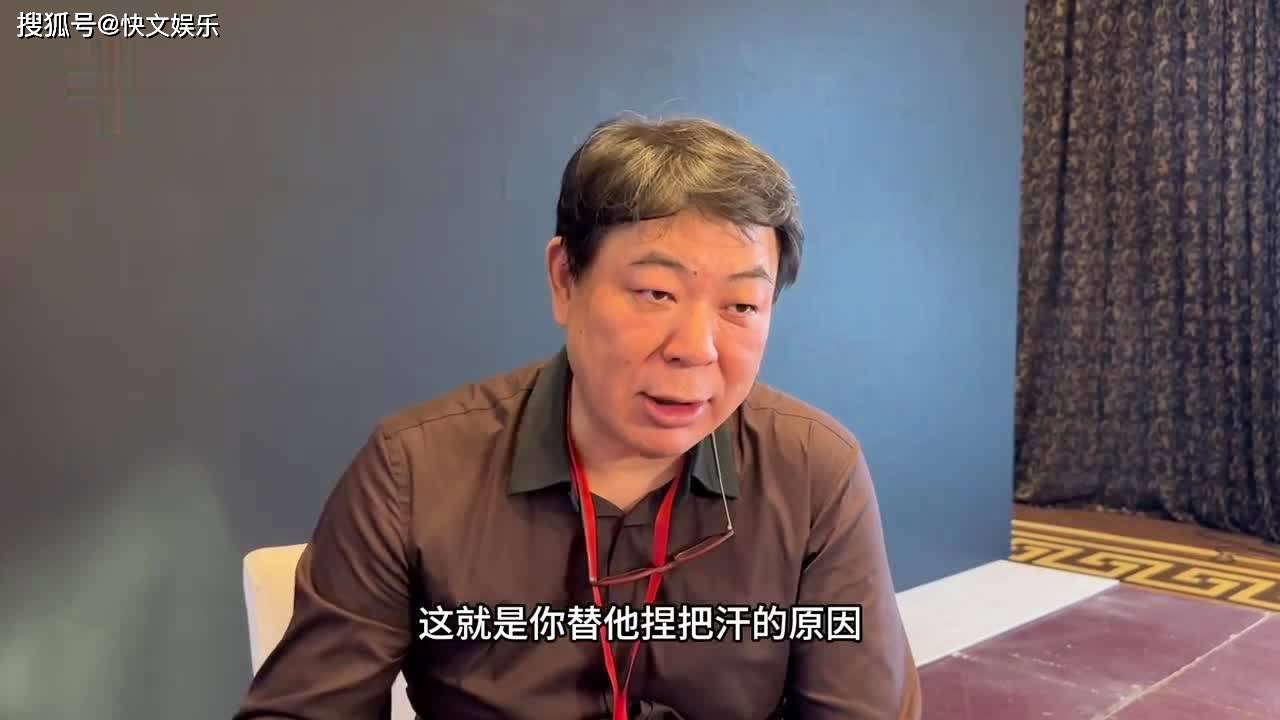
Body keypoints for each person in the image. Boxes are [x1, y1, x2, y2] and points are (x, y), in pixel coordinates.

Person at [234, 115, 922, 720]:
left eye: (741, 306)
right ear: (565, 278)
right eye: (655, 292)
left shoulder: (816, 472)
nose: (695, 348)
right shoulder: (413, 473)